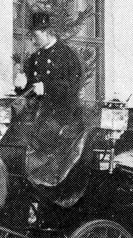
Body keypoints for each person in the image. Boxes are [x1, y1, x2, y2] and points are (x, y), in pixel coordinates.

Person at [14, 11, 88, 187]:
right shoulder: (35, 58)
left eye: (35, 36)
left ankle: (41, 180)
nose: (32, 41)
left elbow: (73, 86)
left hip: (64, 116)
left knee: (42, 139)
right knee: (16, 136)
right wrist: (21, 85)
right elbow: (29, 91)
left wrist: (47, 88)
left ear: (47, 32)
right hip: (38, 114)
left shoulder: (67, 55)